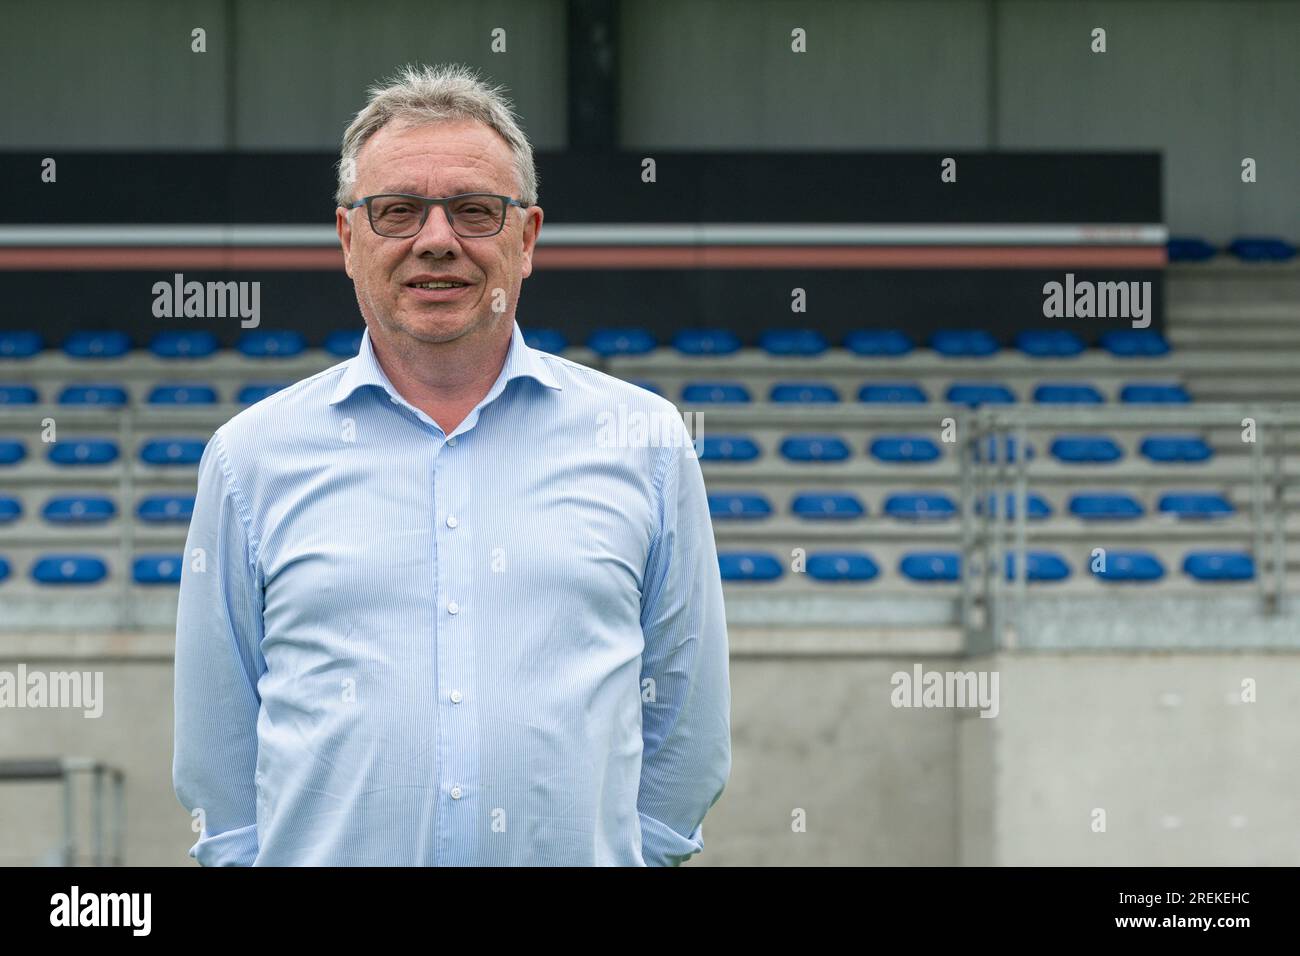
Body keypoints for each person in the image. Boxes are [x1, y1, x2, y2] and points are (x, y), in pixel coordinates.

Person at [172, 63, 731, 866]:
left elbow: (688, 724)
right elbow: (217, 752)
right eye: (398, 211)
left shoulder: (642, 441)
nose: (437, 240)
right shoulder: (249, 459)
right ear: (348, 239)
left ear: (527, 238)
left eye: (474, 211)